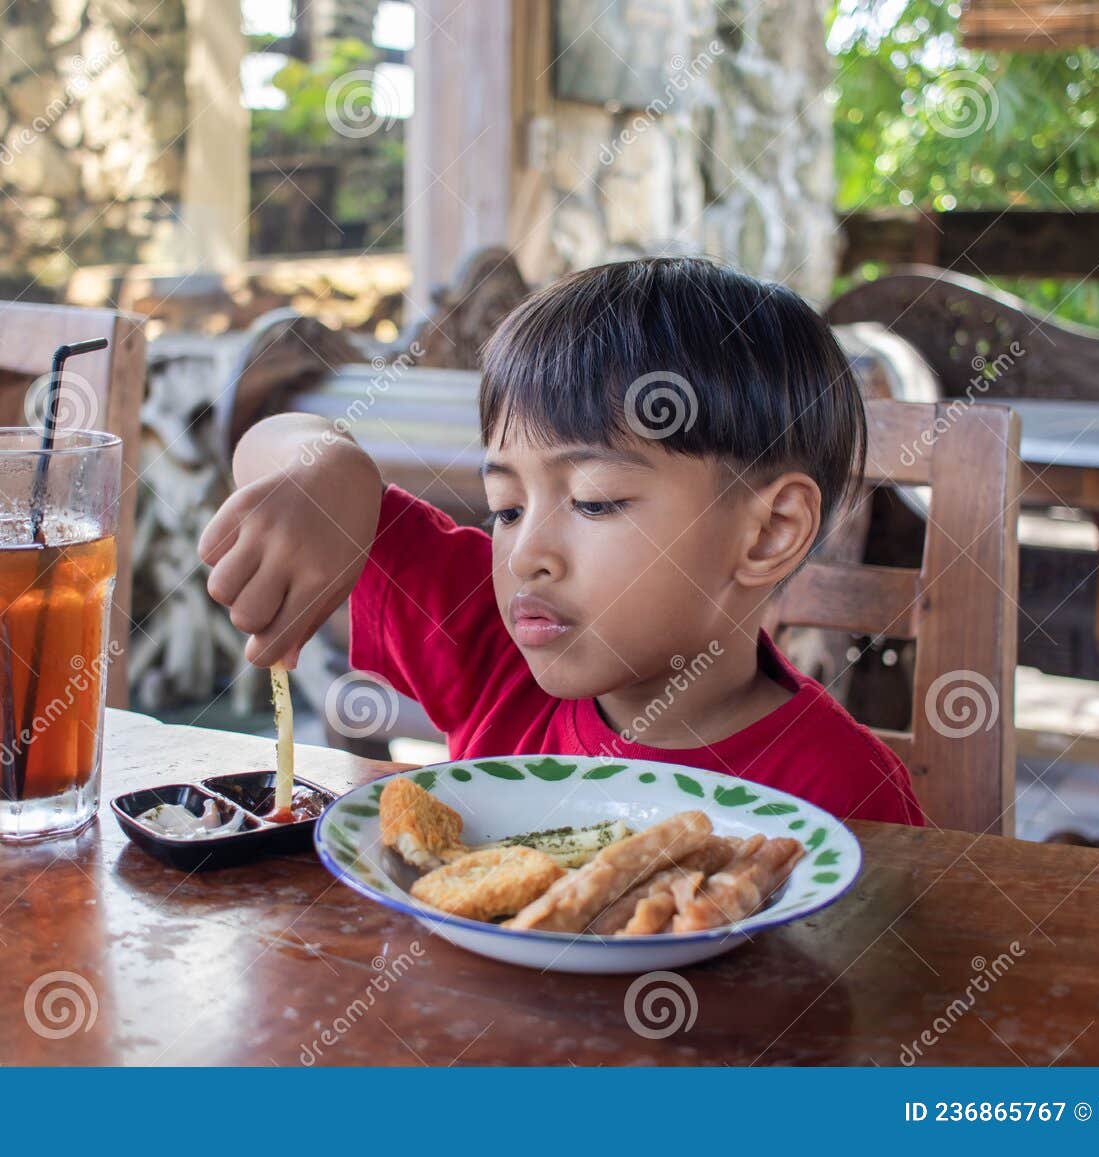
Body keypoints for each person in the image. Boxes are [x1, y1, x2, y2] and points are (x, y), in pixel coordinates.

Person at [199, 257, 925, 825]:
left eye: (593, 500)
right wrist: (326, 474)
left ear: (768, 531)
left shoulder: (844, 795)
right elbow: (266, 443)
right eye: (506, 506)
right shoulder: (490, 649)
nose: (525, 553)